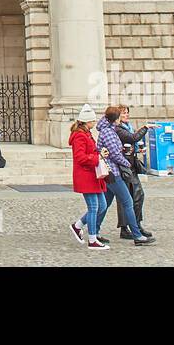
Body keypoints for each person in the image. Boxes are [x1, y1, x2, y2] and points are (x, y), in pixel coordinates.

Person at [96, 106, 155, 245]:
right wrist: (126, 163)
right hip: (114, 173)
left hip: (111, 172)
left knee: (105, 204)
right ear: (115, 119)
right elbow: (115, 155)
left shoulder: (109, 130)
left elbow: (115, 149)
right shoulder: (109, 132)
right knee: (128, 202)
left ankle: (89, 228)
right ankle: (137, 235)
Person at [68, 104, 110, 250]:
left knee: (102, 206)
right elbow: (80, 157)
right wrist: (97, 157)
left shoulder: (86, 133)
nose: (94, 123)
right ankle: (92, 239)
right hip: (86, 175)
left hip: (92, 174)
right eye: (92, 121)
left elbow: (89, 151)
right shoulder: (80, 135)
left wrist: (100, 153)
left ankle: (77, 226)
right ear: (86, 122)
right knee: (94, 207)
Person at [113, 106, 151, 240]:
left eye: (128, 113)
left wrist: (138, 150)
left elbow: (132, 141)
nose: (127, 115)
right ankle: (129, 228)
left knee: (136, 196)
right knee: (129, 197)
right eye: (124, 113)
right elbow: (133, 138)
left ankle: (135, 225)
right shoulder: (118, 129)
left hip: (130, 165)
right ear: (118, 115)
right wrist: (145, 127)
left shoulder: (127, 127)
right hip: (124, 167)